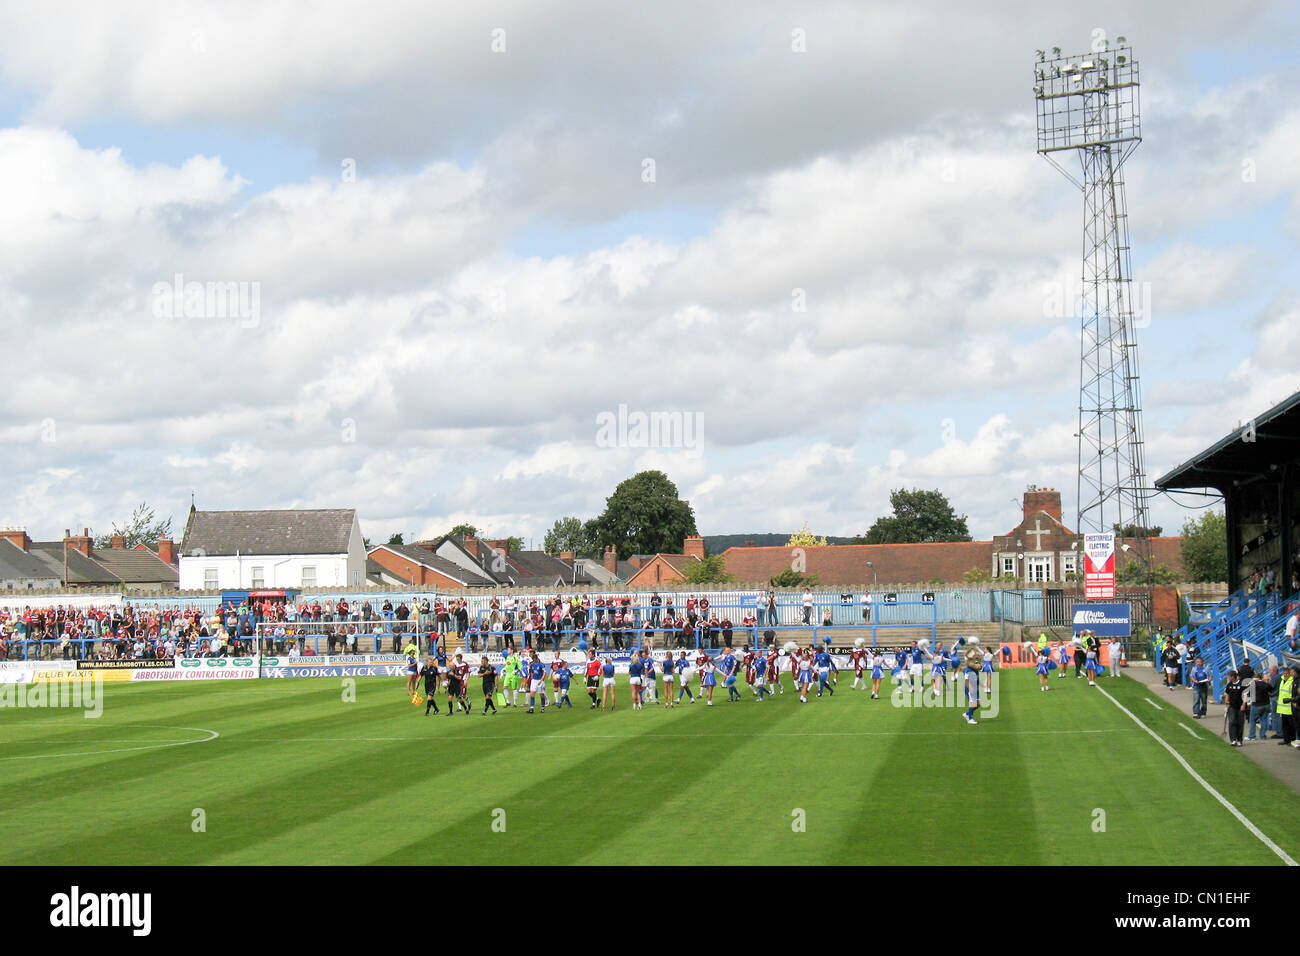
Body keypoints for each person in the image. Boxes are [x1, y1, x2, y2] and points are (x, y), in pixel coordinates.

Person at [1247, 669, 1272, 742]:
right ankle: (1263, 735)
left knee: (1252, 720)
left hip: (1256, 705)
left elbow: (1248, 694)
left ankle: (1252, 735)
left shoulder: (1253, 684)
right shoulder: (1265, 684)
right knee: (1264, 720)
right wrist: (1267, 681)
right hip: (1266, 704)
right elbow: (1271, 689)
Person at [1223, 670, 1245, 746]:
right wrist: (1226, 702)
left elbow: (1245, 695)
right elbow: (1227, 694)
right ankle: (1233, 739)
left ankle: (1239, 739)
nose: (1228, 678)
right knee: (1232, 722)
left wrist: (1243, 704)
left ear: (1233, 677)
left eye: (1229, 676)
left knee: (1240, 723)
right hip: (1232, 706)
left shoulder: (1241, 684)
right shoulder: (1229, 685)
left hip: (1240, 706)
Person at [1277, 665, 1297, 747]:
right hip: (1282, 707)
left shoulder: (1292, 681)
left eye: (1287, 673)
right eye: (1284, 673)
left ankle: (1292, 739)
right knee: (1284, 725)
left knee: (1291, 725)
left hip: (1289, 707)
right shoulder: (1282, 680)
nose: (1285, 675)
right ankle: (1286, 739)